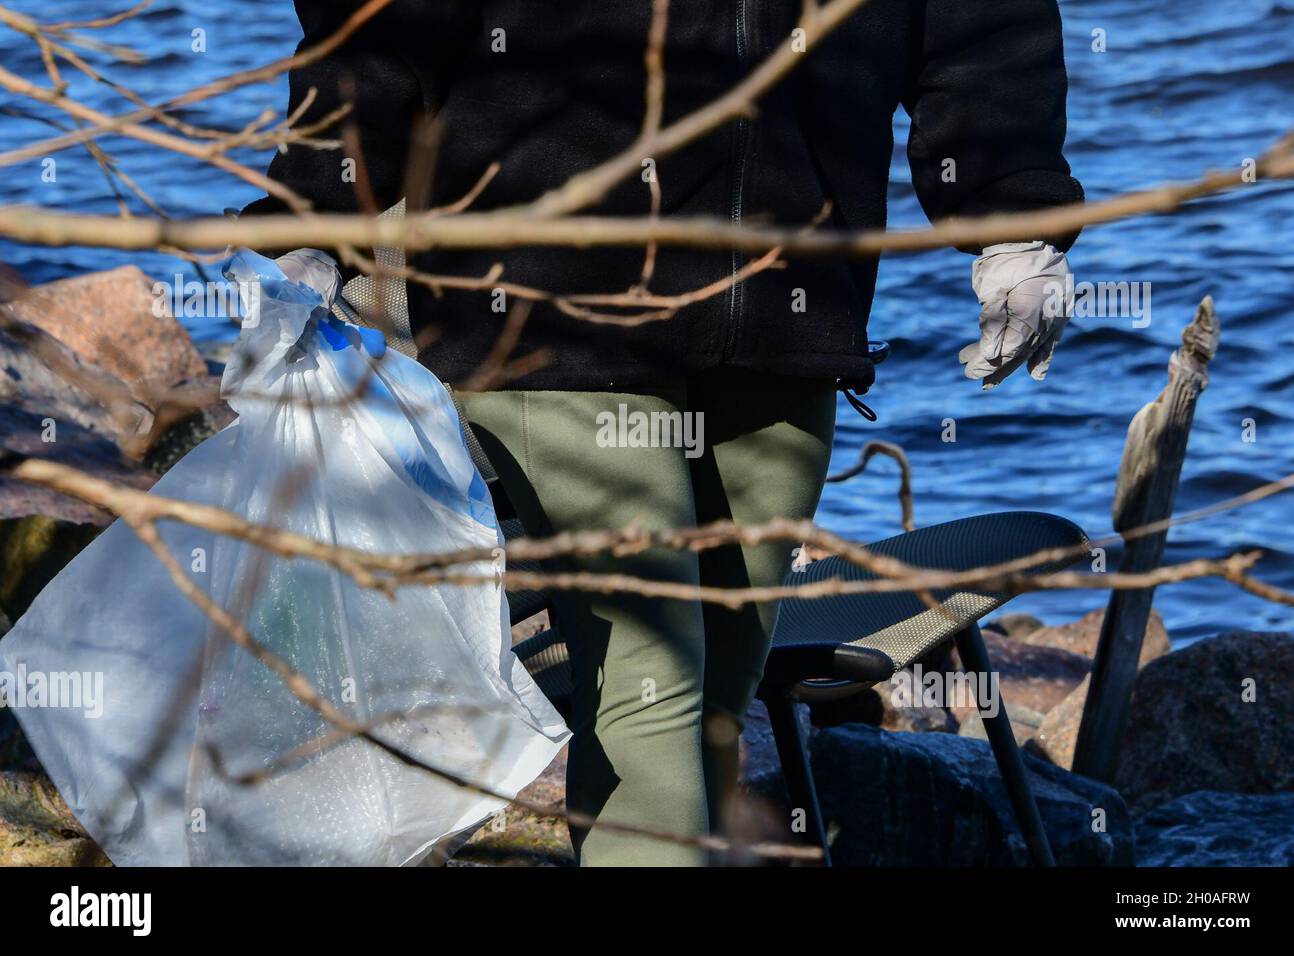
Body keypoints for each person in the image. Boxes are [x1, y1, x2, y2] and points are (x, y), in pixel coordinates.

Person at [243, 0, 1082, 866]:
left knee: (719, 699)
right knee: (652, 702)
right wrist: (310, 224)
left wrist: (1015, 216)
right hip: (549, 320)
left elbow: (980, 20)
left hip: (788, 317)